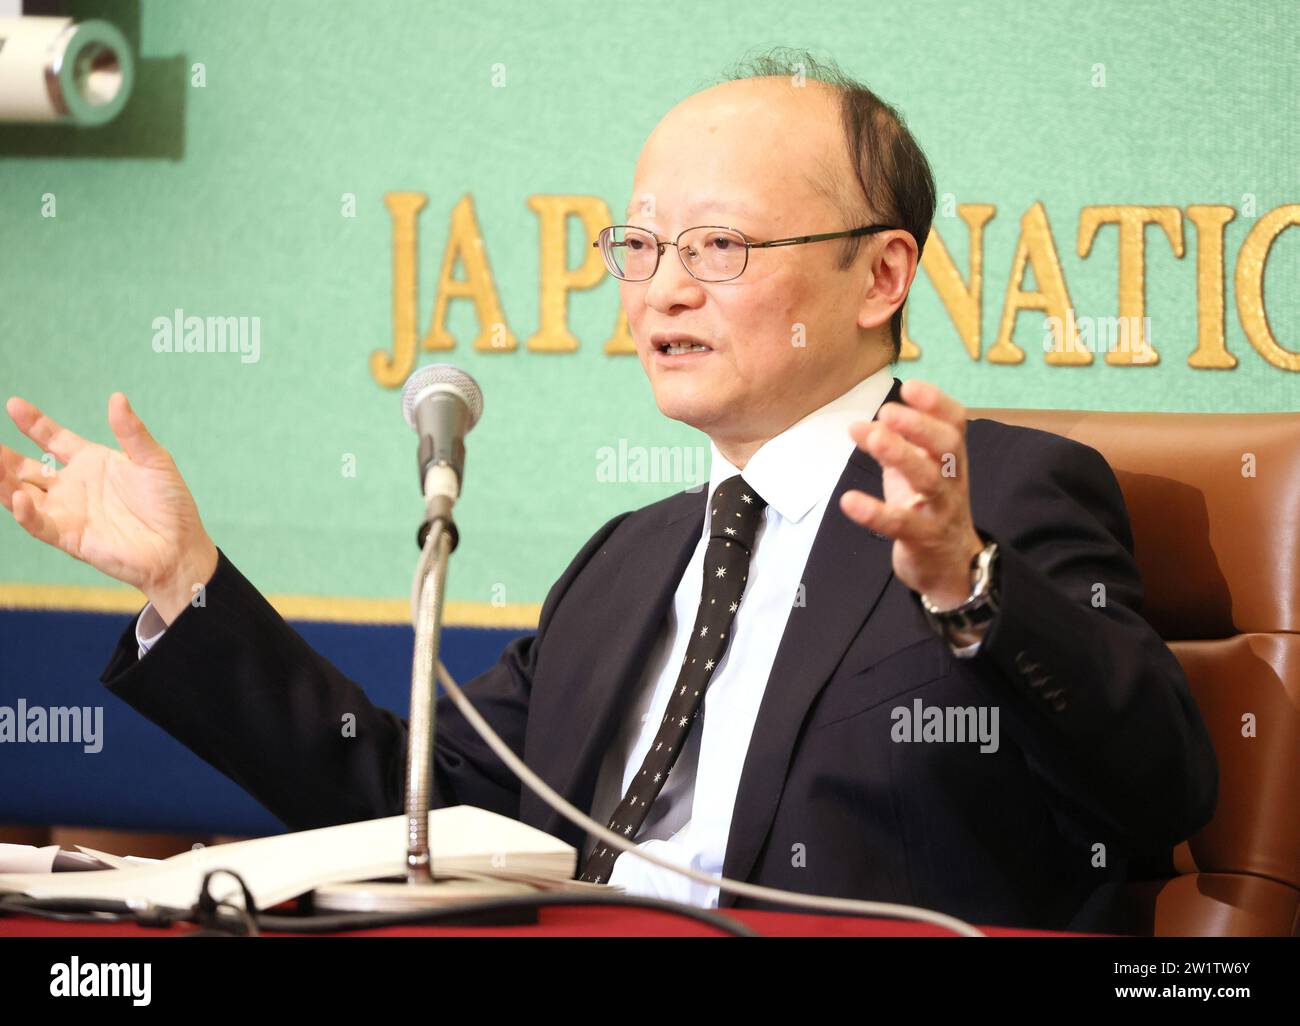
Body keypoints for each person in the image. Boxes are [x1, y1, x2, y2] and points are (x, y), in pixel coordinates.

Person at [0, 52, 1216, 930]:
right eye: (639, 248)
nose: (660, 292)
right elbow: (417, 809)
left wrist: (971, 588)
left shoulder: (1002, 493)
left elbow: (1154, 790)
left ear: (878, 275)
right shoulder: (628, 559)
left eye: (719, 248)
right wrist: (183, 583)